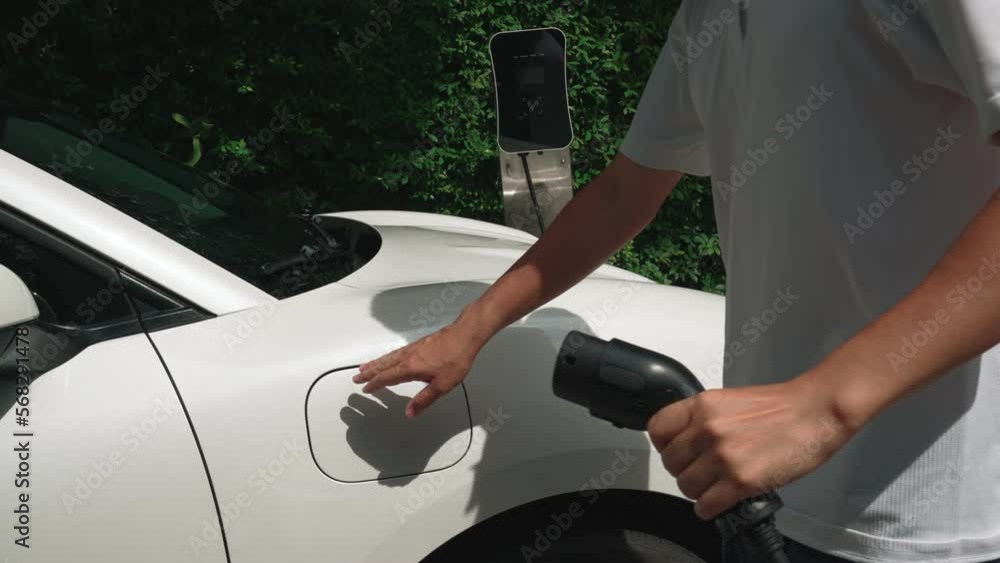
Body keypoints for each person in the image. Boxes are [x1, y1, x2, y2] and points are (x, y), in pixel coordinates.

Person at [355, 1, 1000, 561]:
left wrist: (821, 405)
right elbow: (623, 194)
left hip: (926, 523)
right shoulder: (705, 14)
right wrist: (471, 328)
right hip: (758, 496)